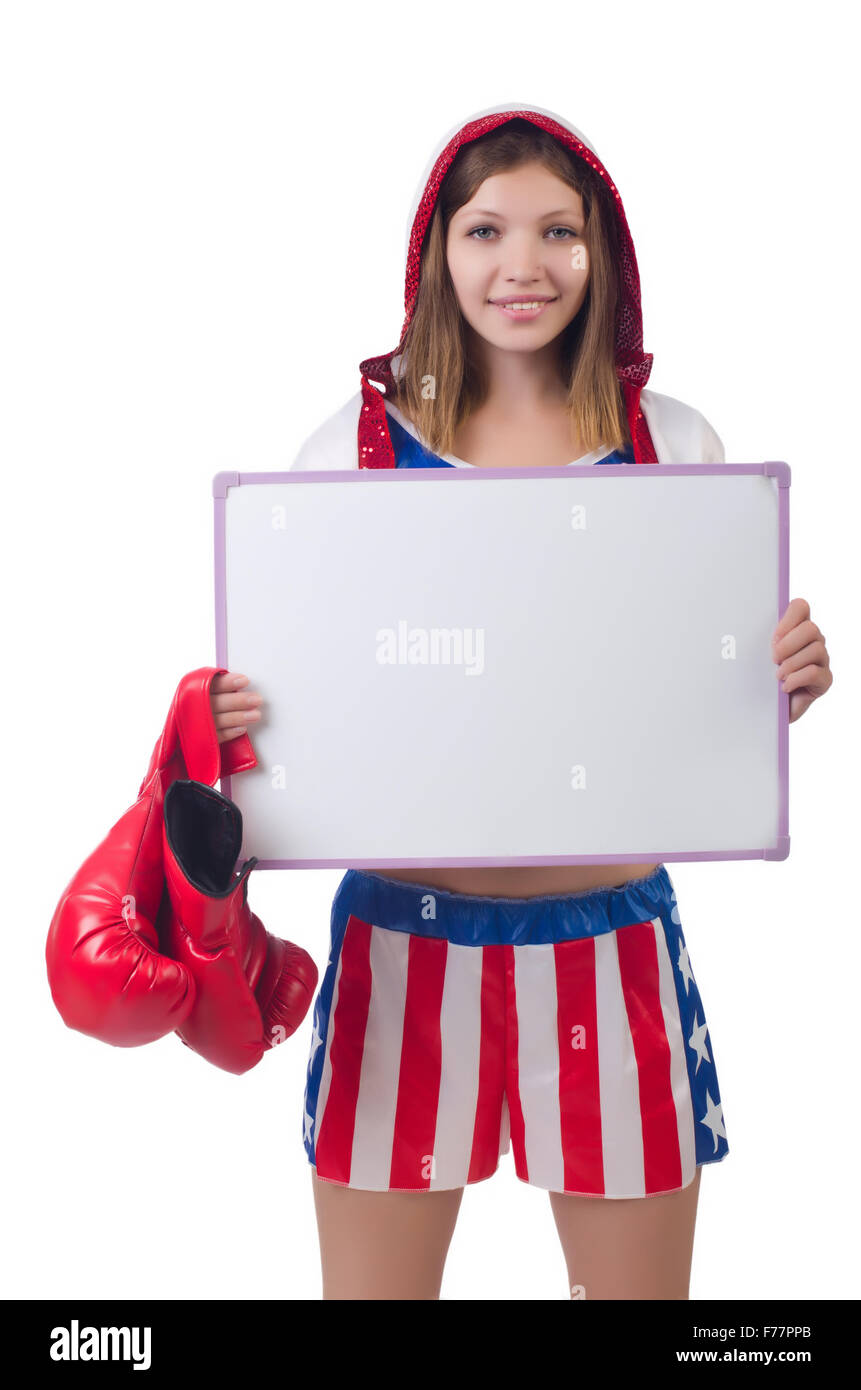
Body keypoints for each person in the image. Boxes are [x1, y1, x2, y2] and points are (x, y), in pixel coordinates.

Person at [209, 103, 833, 1299]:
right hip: (404, 944)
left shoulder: (675, 443)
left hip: (611, 938)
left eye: (561, 232)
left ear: (603, 255)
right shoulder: (355, 445)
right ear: (438, 250)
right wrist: (247, 714)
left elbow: (689, 704)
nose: (524, 266)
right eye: (487, 229)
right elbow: (314, 689)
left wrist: (777, 684)